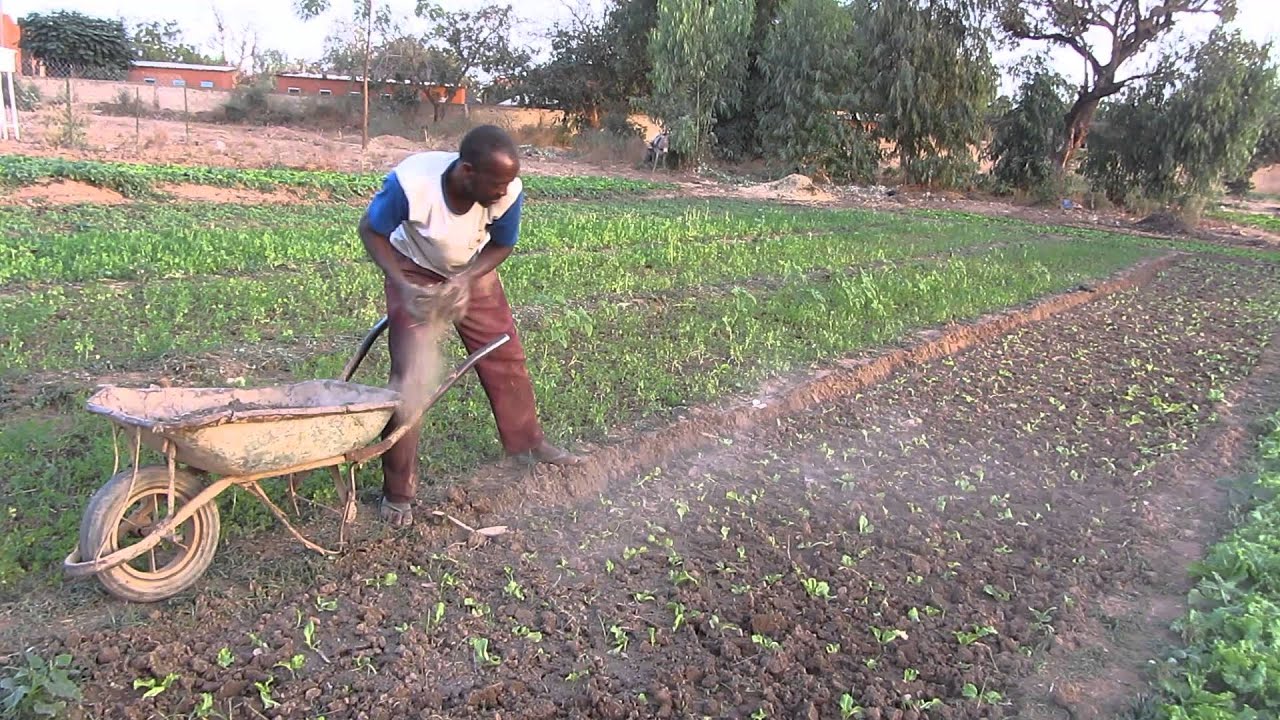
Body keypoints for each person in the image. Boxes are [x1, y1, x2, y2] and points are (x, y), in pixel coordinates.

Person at [358, 124, 583, 526]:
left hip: (470, 272)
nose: (504, 191)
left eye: (509, 181)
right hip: (415, 271)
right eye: (497, 183)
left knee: (504, 353)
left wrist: (465, 279)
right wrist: (403, 286)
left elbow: (502, 243)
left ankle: (528, 445)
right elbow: (370, 231)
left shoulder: (507, 190)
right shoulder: (411, 185)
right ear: (466, 172)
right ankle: (397, 492)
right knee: (410, 379)